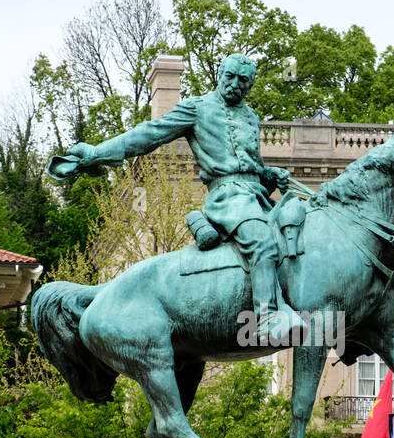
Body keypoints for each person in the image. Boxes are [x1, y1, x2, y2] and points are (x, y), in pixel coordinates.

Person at [48, 53, 305, 342]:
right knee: (261, 241)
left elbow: (252, 165)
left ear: (250, 85)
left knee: (299, 230)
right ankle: (267, 317)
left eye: (242, 81)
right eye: (229, 76)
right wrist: (97, 153)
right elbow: (149, 134)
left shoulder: (251, 118)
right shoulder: (198, 109)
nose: (234, 84)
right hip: (227, 197)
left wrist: (270, 174)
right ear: (219, 73)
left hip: (256, 196)